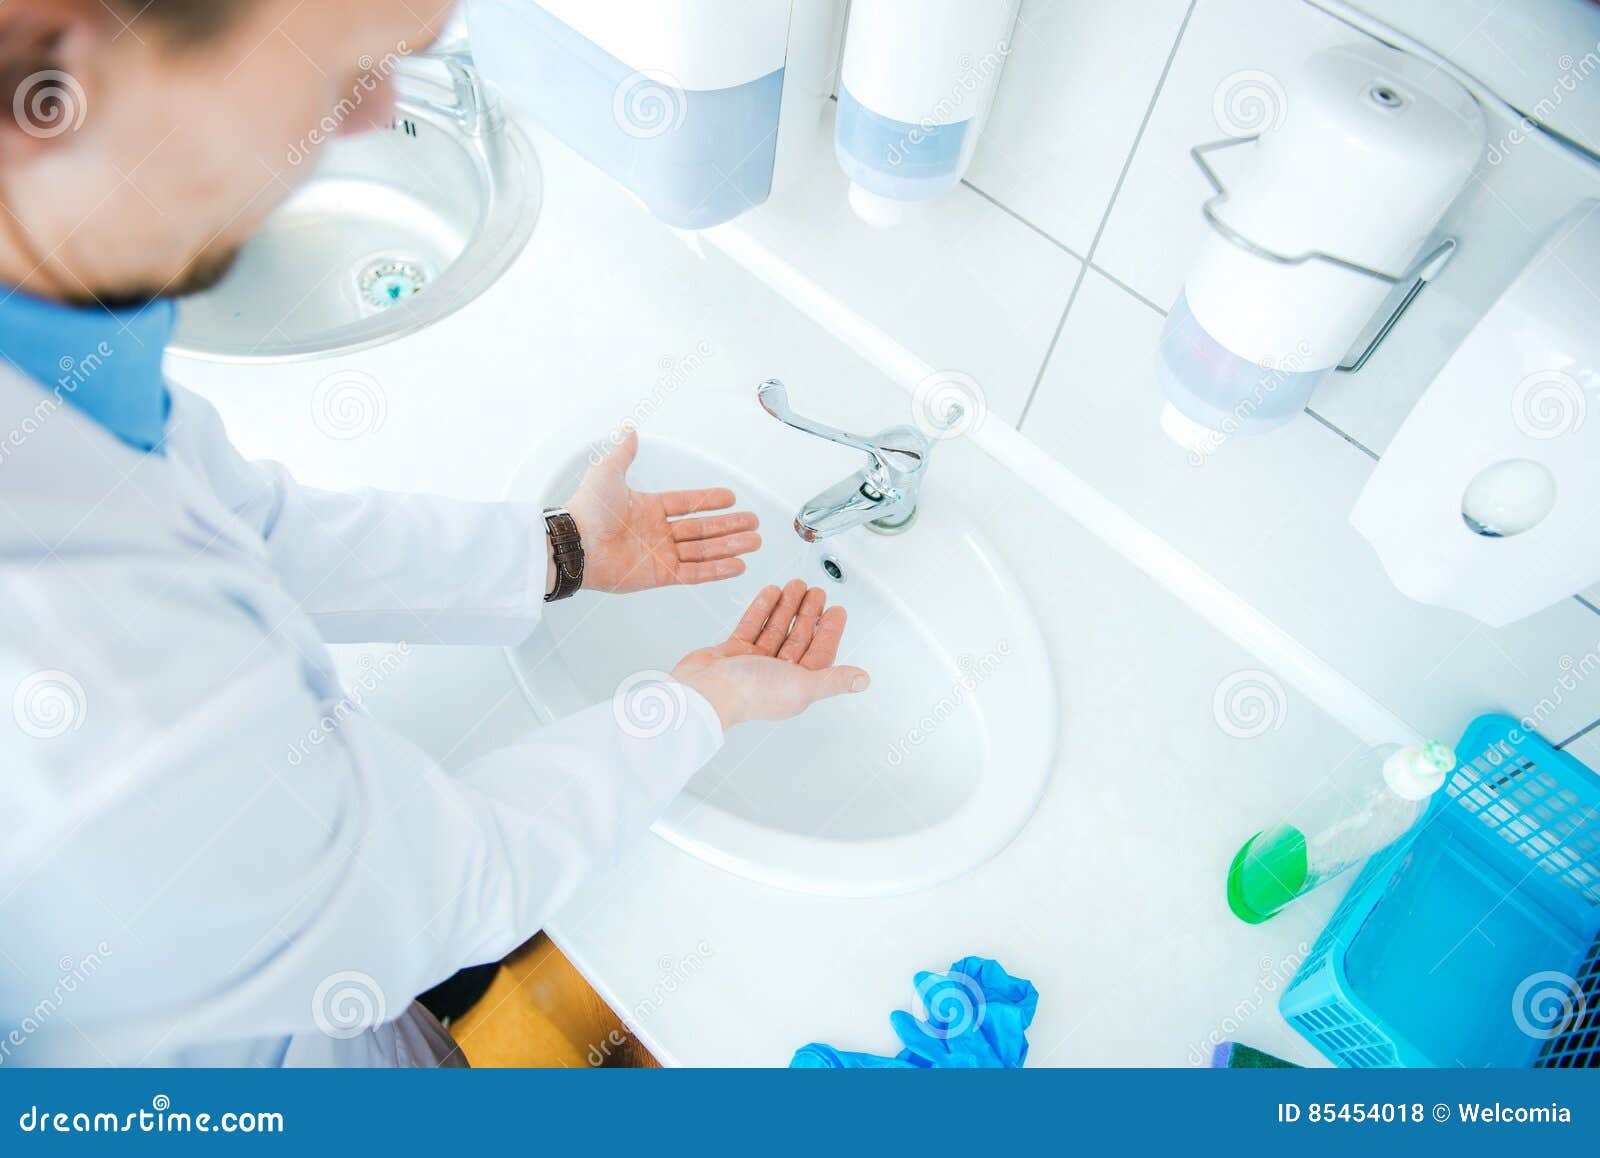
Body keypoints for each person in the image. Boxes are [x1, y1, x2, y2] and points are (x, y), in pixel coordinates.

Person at [0, 0, 869, 1067]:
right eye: (346, 62)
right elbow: (437, 898)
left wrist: (564, 550)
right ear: (56, 46)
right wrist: (701, 700)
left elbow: (250, 524)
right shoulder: (88, 694)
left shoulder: (57, 336)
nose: (375, 110)